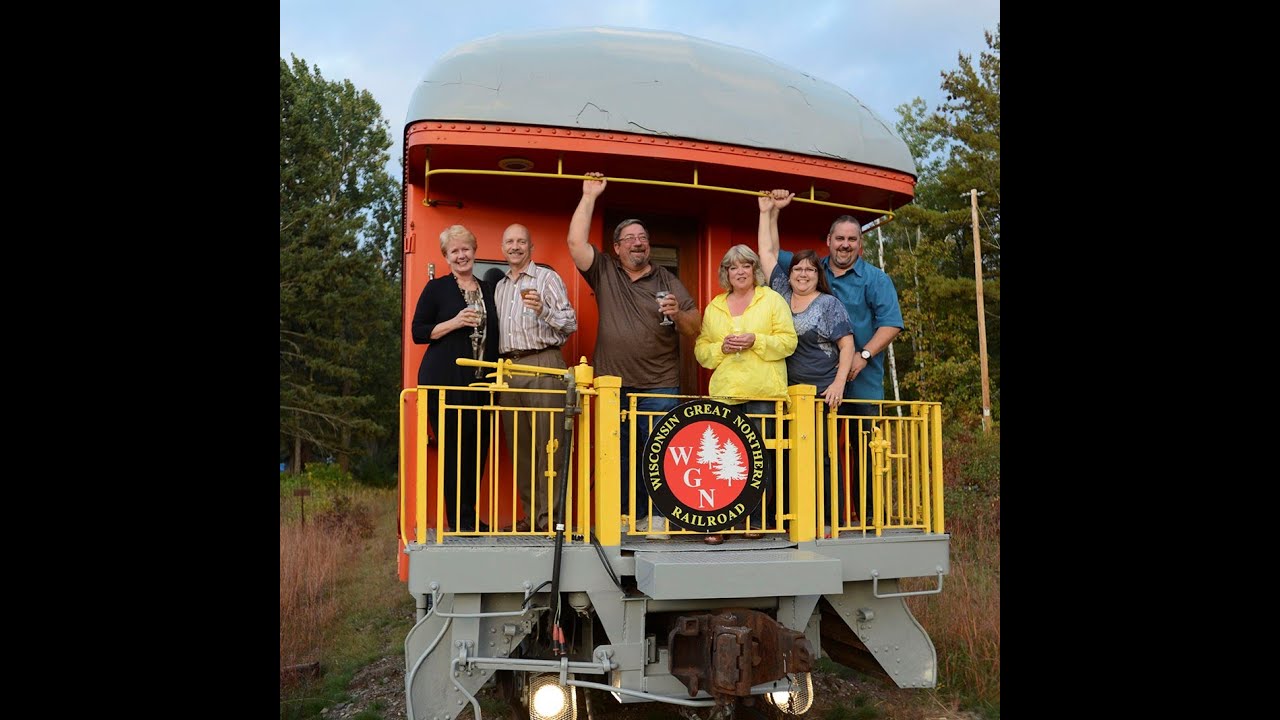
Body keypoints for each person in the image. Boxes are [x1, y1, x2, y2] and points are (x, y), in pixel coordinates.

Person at [568, 172, 701, 539]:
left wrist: (678, 315)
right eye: (630, 239)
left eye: (642, 238)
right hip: (613, 383)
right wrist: (589, 195)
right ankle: (628, 515)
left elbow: (695, 327)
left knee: (658, 452)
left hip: (660, 383)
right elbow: (575, 242)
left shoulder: (666, 279)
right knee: (620, 453)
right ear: (617, 247)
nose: (638, 244)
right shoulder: (604, 271)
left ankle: (659, 516)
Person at [759, 191, 903, 529]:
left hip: (861, 382)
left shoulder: (876, 279)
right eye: (839, 238)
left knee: (859, 451)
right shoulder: (812, 269)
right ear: (829, 241)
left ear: (860, 244)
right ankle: (818, 514)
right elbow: (768, 254)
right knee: (815, 451)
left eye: (852, 239)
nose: (845, 244)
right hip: (812, 385)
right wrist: (772, 212)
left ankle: (864, 518)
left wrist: (864, 355)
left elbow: (891, 323)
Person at [756, 191, 855, 536]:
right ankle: (786, 518)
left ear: (817, 275)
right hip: (785, 394)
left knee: (821, 458)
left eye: (809, 270)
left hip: (821, 396)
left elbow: (847, 345)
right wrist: (767, 212)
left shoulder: (829, 304)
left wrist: (839, 384)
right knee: (784, 457)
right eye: (797, 268)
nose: (802, 274)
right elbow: (767, 253)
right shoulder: (781, 294)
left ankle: (826, 521)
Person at [694, 244, 797, 544]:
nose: (740, 271)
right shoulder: (714, 306)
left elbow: (788, 342)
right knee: (722, 458)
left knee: (760, 458)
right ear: (725, 273)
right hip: (725, 394)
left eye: (745, 266)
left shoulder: (772, 300)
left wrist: (757, 340)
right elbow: (701, 350)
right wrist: (720, 348)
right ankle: (719, 522)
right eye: (733, 267)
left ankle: (756, 518)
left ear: (755, 270)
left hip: (763, 392)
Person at [410, 225, 500, 533]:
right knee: (455, 451)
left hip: (482, 383)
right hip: (445, 382)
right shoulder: (436, 289)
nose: (461, 255)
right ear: (446, 256)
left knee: (478, 450)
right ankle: (458, 520)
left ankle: (471, 516)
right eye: (454, 251)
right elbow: (418, 332)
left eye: (466, 249)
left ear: (474, 251)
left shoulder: (489, 289)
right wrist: (454, 322)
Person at [493, 223, 578, 533]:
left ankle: (550, 522)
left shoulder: (547, 278)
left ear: (531, 247)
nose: (515, 246)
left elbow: (570, 323)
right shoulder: (500, 287)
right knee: (522, 451)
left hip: (544, 363)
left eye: (521, 241)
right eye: (509, 241)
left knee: (549, 447)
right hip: (511, 369)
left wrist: (543, 310)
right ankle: (531, 518)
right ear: (503, 247)